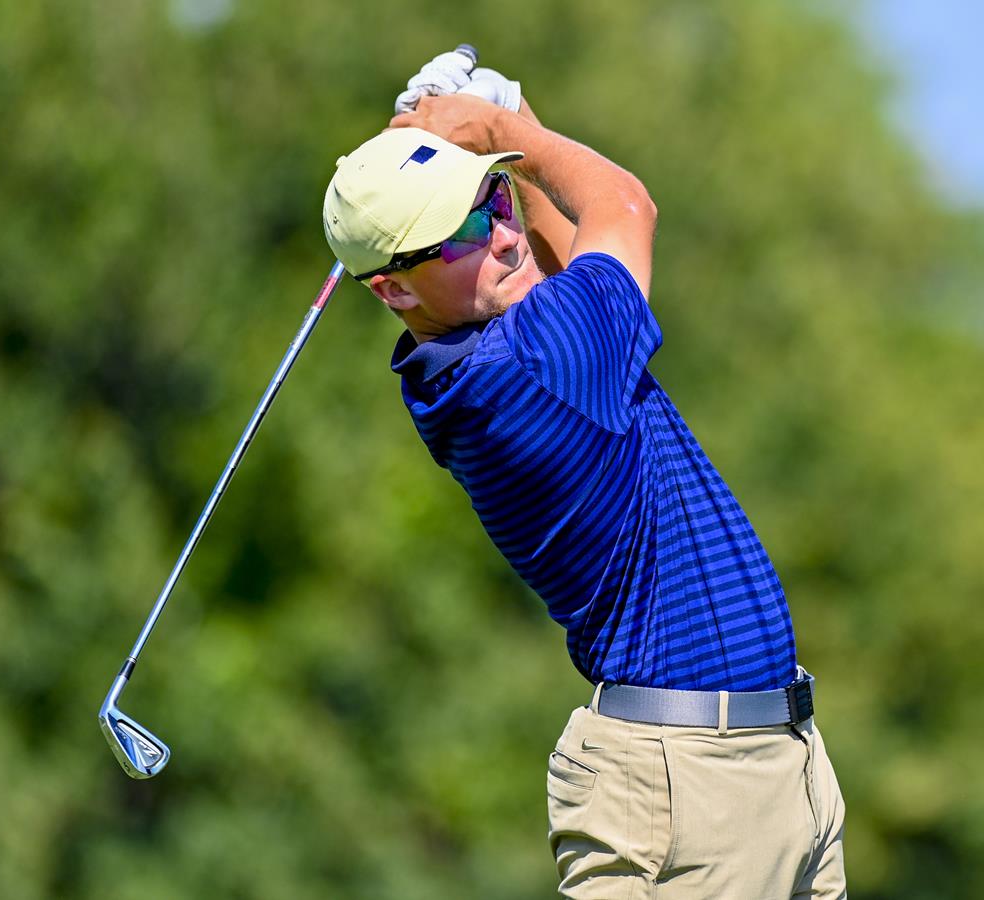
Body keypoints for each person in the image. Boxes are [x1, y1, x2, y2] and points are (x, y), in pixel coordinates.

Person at [321, 52, 846, 898]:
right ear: (393, 291)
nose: (499, 233)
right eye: (457, 232)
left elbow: (577, 270)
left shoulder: (505, 345)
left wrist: (510, 135)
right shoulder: (521, 373)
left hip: (764, 772)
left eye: (490, 198)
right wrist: (500, 132)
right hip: (688, 793)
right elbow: (624, 210)